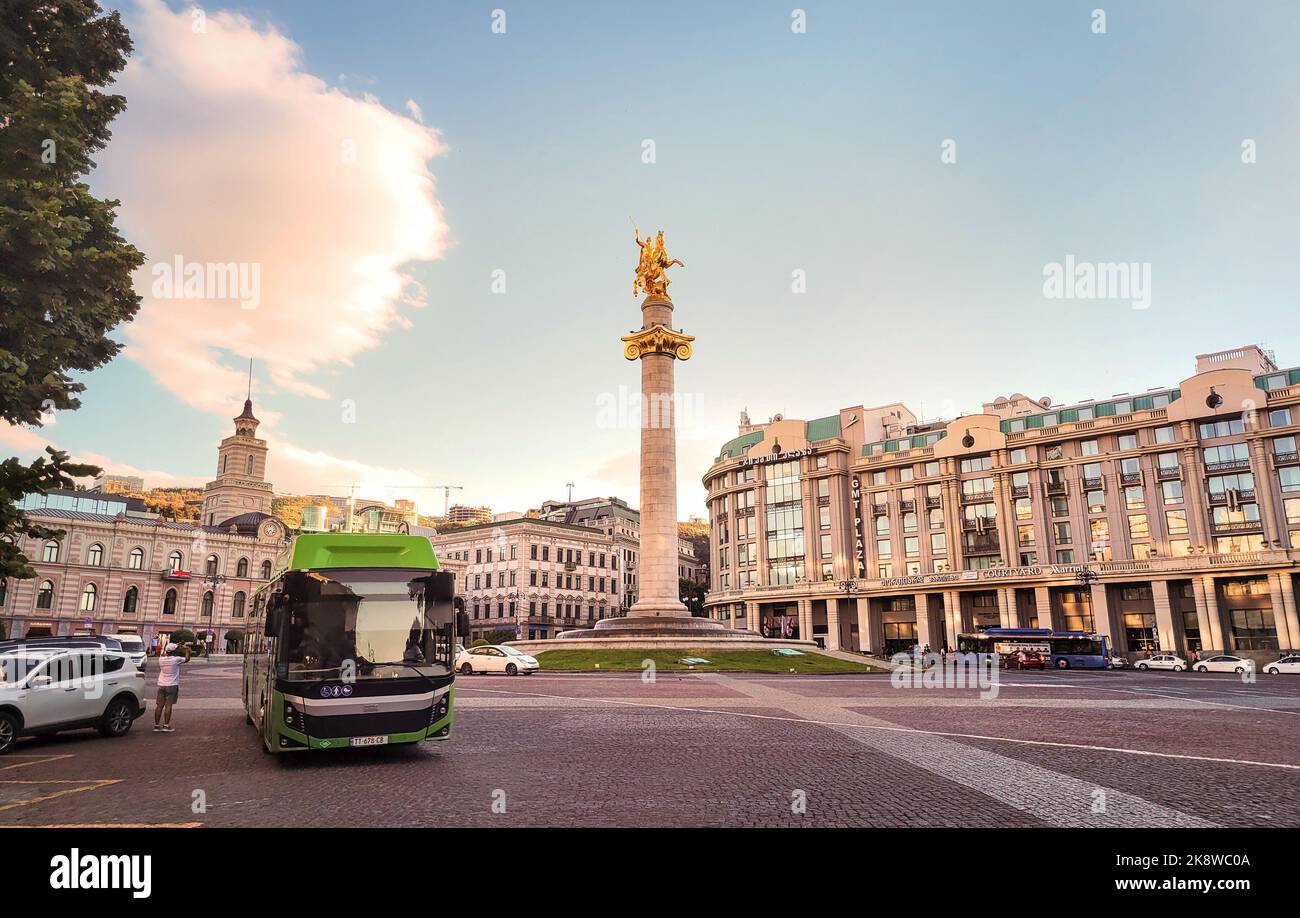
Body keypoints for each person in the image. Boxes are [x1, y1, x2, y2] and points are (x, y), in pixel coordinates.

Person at [153, 642, 191, 733]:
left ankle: (156, 726)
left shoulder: (161, 659)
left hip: (161, 684)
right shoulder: (176, 659)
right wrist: (187, 650)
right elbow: (187, 659)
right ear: (174, 652)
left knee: (159, 706)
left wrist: (175, 645)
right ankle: (166, 726)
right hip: (172, 685)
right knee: (168, 705)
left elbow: (167, 651)